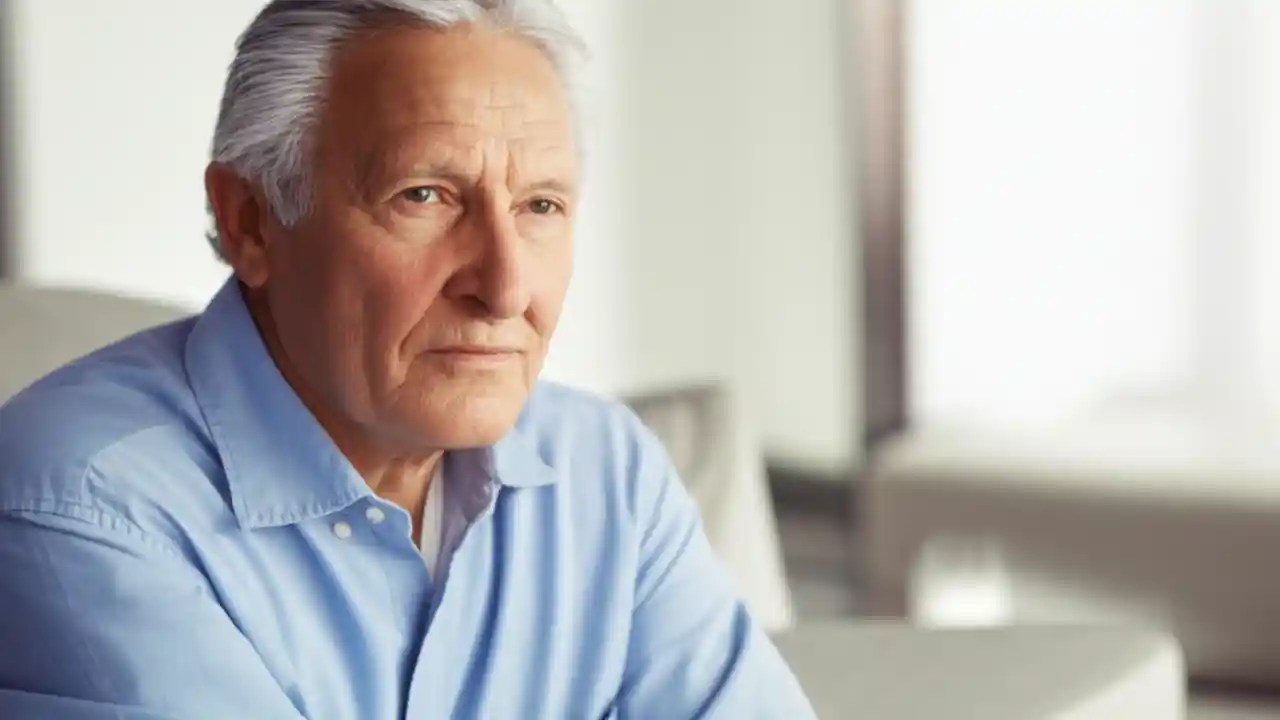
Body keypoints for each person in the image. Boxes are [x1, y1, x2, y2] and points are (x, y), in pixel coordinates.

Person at [0, 1, 814, 717]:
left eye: (540, 206)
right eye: (424, 196)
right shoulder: (77, 502)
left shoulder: (608, 477)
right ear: (251, 219)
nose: (504, 288)